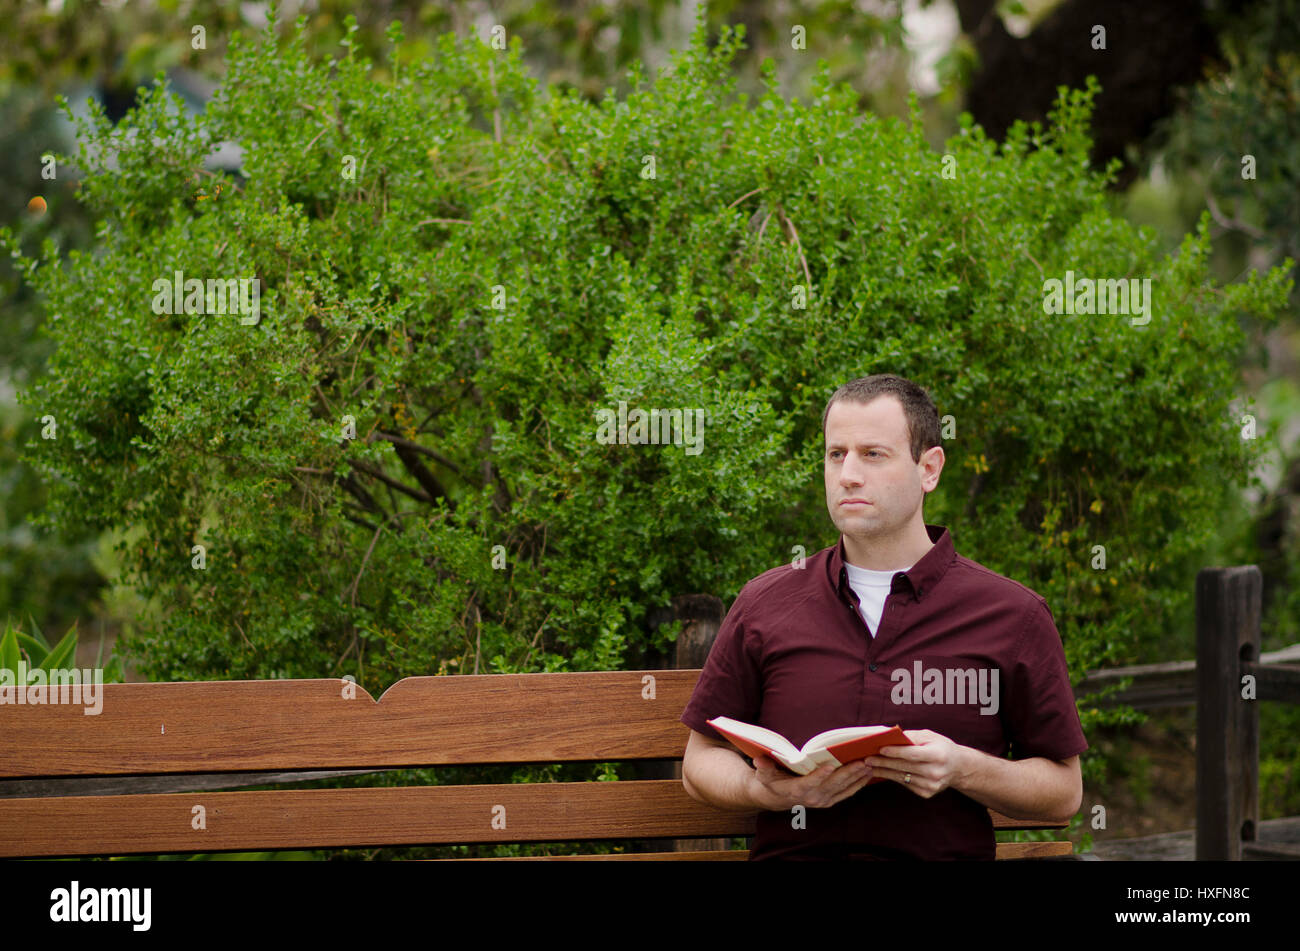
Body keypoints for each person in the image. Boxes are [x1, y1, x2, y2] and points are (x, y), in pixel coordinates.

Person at [679, 374, 1087, 859]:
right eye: (836, 454)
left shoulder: (1012, 615)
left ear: (929, 469)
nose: (848, 473)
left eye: (873, 454)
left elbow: (1064, 791)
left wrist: (961, 768)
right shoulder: (766, 601)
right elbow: (699, 762)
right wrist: (766, 792)